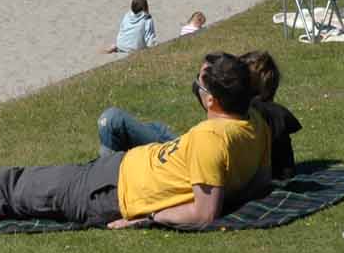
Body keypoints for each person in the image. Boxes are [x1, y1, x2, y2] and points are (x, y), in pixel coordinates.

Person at [0, 53, 272, 229]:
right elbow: (258, 184)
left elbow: (204, 214)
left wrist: (149, 218)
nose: (196, 83)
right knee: (29, 181)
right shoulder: (255, 123)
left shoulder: (211, 140)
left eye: (200, 81)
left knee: (16, 187)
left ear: (211, 99)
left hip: (108, 192)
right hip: (120, 171)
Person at [96, 50, 301, 180]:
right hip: (195, 155)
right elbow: (285, 167)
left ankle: (104, 179)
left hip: (191, 161)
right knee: (158, 128)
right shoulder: (267, 118)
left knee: (113, 120)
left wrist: (205, 81)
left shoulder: (243, 116)